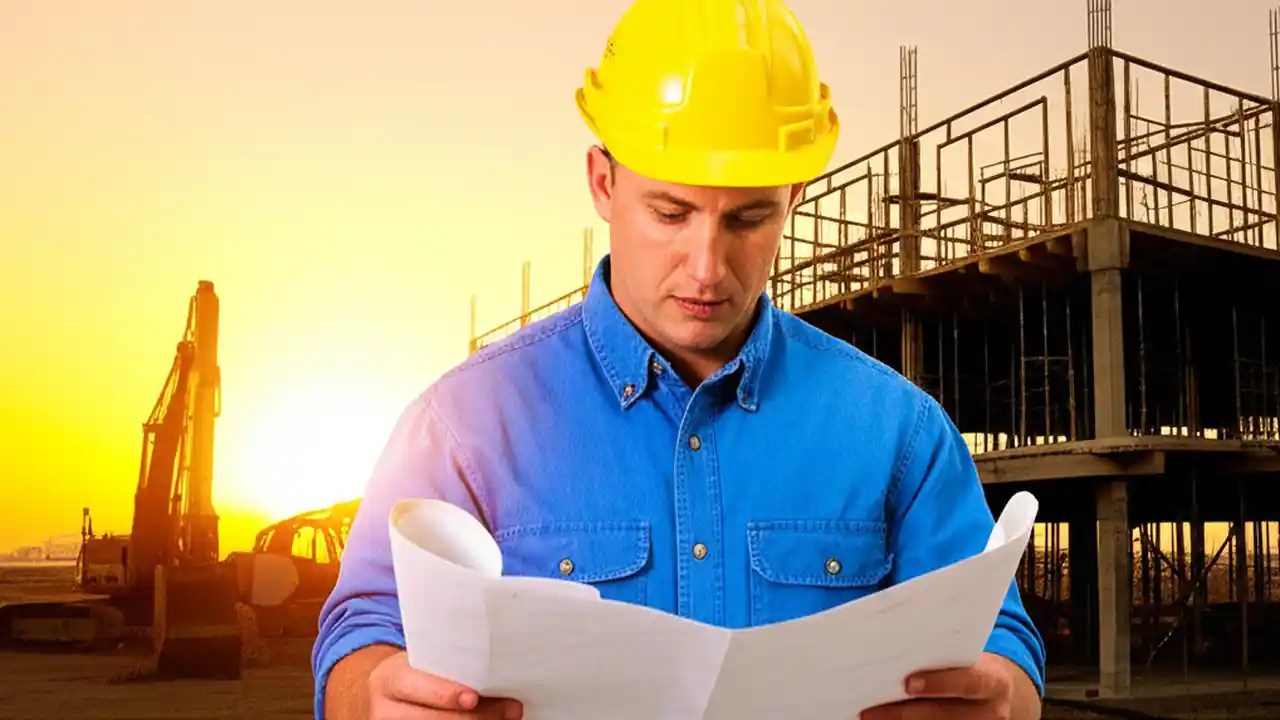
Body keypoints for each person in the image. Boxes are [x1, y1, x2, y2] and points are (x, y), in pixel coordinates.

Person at [312, 0, 1047, 717]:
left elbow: (999, 645)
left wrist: (1000, 696)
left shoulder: (898, 435)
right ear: (603, 182)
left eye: (748, 219)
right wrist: (373, 695)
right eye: (671, 213)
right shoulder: (463, 426)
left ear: (793, 196)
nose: (707, 267)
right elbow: (363, 635)